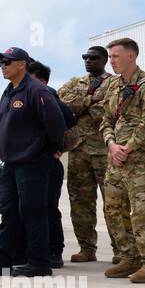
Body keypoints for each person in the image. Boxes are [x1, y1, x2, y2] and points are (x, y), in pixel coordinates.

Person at [0, 47, 66, 277]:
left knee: (33, 211)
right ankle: (1, 260)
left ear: (22, 64)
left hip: (33, 162)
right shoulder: (9, 91)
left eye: (7, 62)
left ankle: (39, 262)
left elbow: (56, 124)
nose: (3, 66)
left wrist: (50, 150)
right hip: (11, 164)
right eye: (0, 62)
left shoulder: (37, 90)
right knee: (9, 212)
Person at [99, 38, 145, 284]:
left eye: (115, 56)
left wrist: (127, 148)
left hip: (141, 163)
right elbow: (106, 120)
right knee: (114, 210)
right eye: (110, 57)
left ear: (131, 56)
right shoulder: (113, 86)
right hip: (116, 160)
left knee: (144, 213)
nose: (111, 61)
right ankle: (130, 257)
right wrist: (111, 145)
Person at [57, 47, 116, 263]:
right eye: (85, 57)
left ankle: (121, 250)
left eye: (93, 58)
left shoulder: (115, 83)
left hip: (104, 150)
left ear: (104, 60)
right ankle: (87, 248)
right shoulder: (75, 82)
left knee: (113, 203)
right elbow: (61, 103)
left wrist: (81, 105)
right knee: (80, 202)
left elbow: (109, 111)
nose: (88, 61)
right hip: (78, 150)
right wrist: (90, 102)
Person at [27, 60, 76, 269]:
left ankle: (55, 251)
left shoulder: (53, 101)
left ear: (43, 81)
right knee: (26, 209)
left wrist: (58, 151)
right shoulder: (19, 98)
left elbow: (73, 134)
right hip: (25, 166)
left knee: (48, 208)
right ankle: (32, 251)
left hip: (47, 165)